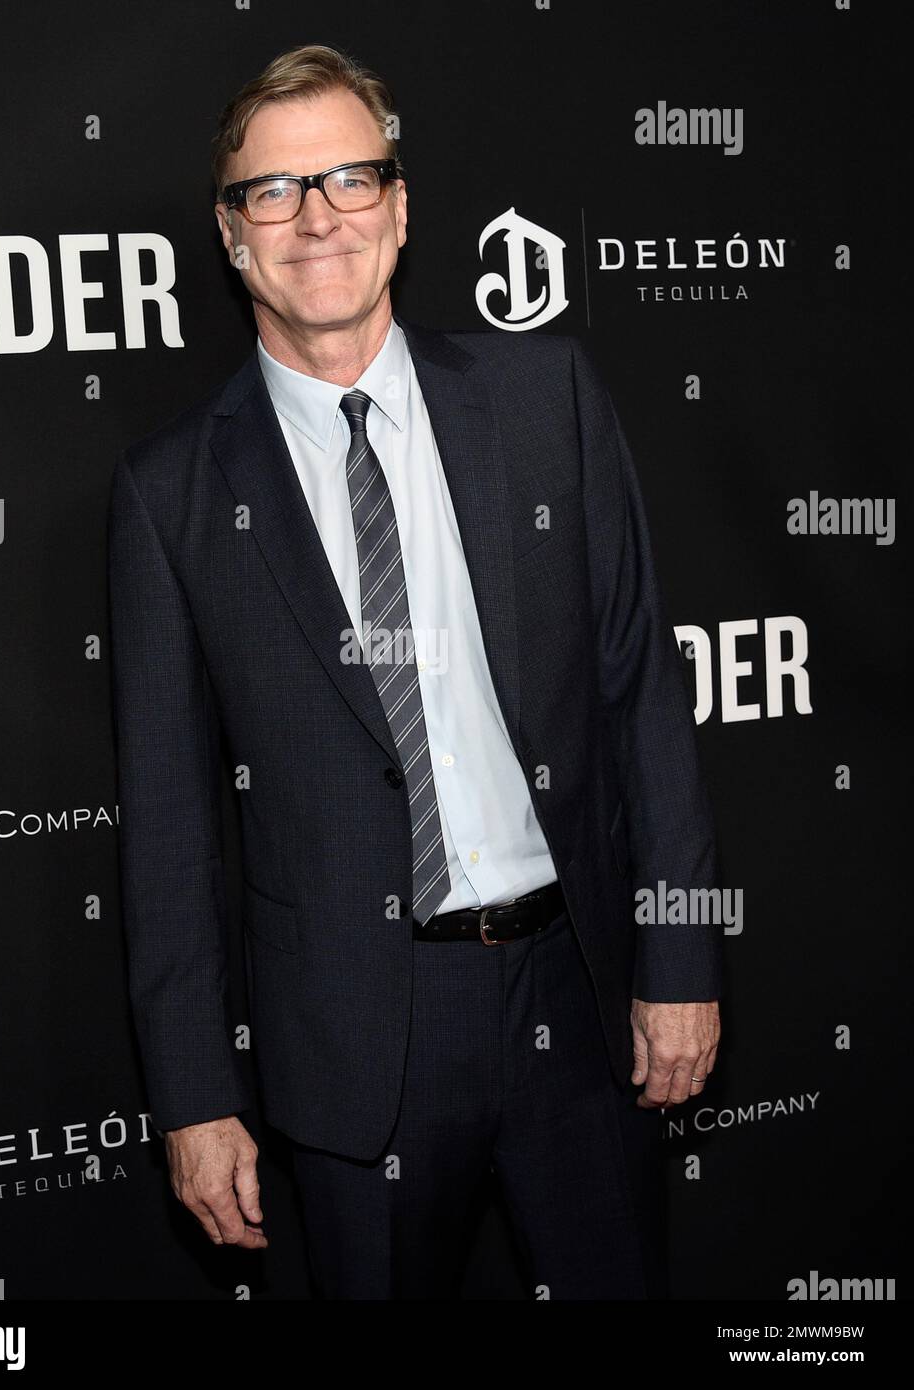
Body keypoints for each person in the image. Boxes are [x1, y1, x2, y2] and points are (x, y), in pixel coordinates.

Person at [107, 43, 724, 1300]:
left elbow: (640, 699)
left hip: (579, 987)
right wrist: (192, 1096)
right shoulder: (171, 495)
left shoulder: (540, 394)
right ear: (232, 237)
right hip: (350, 1041)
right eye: (274, 192)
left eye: (349, 177)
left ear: (399, 207)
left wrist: (681, 959)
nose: (317, 216)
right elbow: (169, 829)